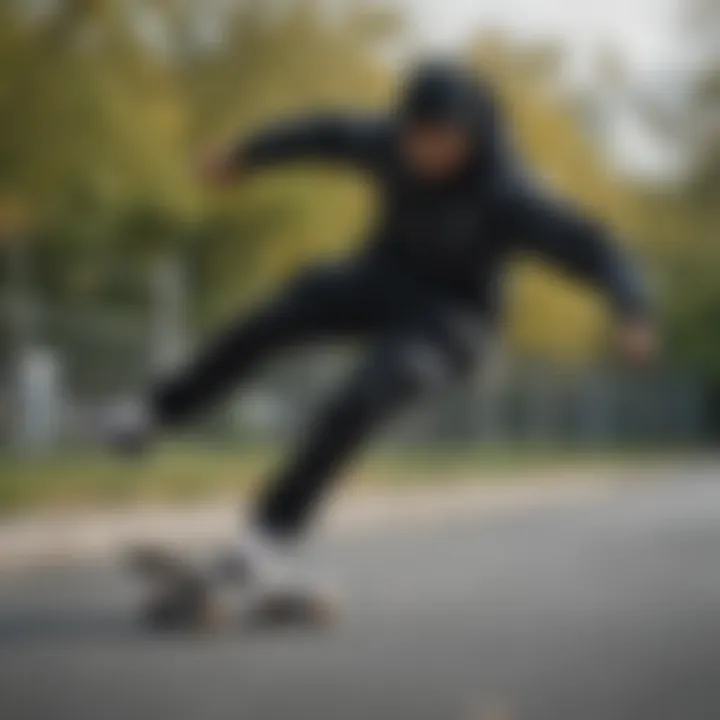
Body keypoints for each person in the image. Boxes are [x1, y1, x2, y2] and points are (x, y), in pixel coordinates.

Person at [111, 61, 656, 619]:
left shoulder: (508, 192)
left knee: (362, 396)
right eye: (414, 139)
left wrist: (632, 309)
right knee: (273, 318)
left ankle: (265, 547)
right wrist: (245, 155)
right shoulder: (389, 143)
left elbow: (594, 247)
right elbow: (319, 135)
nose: (422, 154)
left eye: (438, 143)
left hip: (452, 323)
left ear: (470, 137)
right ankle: (154, 413)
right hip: (382, 280)